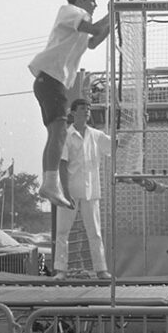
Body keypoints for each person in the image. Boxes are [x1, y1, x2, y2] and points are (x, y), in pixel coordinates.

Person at [29, 0, 112, 209]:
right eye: (92, 0)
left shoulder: (80, 23)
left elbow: (94, 42)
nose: (95, 4)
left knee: (55, 133)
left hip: (51, 82)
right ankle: (51, 183)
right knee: (59, 132)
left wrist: (113, 19)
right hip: (51, 79)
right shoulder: (71, 11)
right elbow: (94, 30)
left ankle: (49, 182)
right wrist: (112, 13)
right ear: (80, 0)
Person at [53, 98, 112, 280]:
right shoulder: (66, 135)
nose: (86, 111)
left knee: (94, 232)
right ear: (73, 112)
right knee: (63, 231)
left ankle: (101, 269)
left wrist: (133, 129)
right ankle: (60, 271)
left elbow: (116, 145)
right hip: (69, 189)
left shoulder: (96, 135)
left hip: (91, 190)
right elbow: (62, 165)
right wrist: (65, 191)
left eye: (88, 108)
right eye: (82, 108)